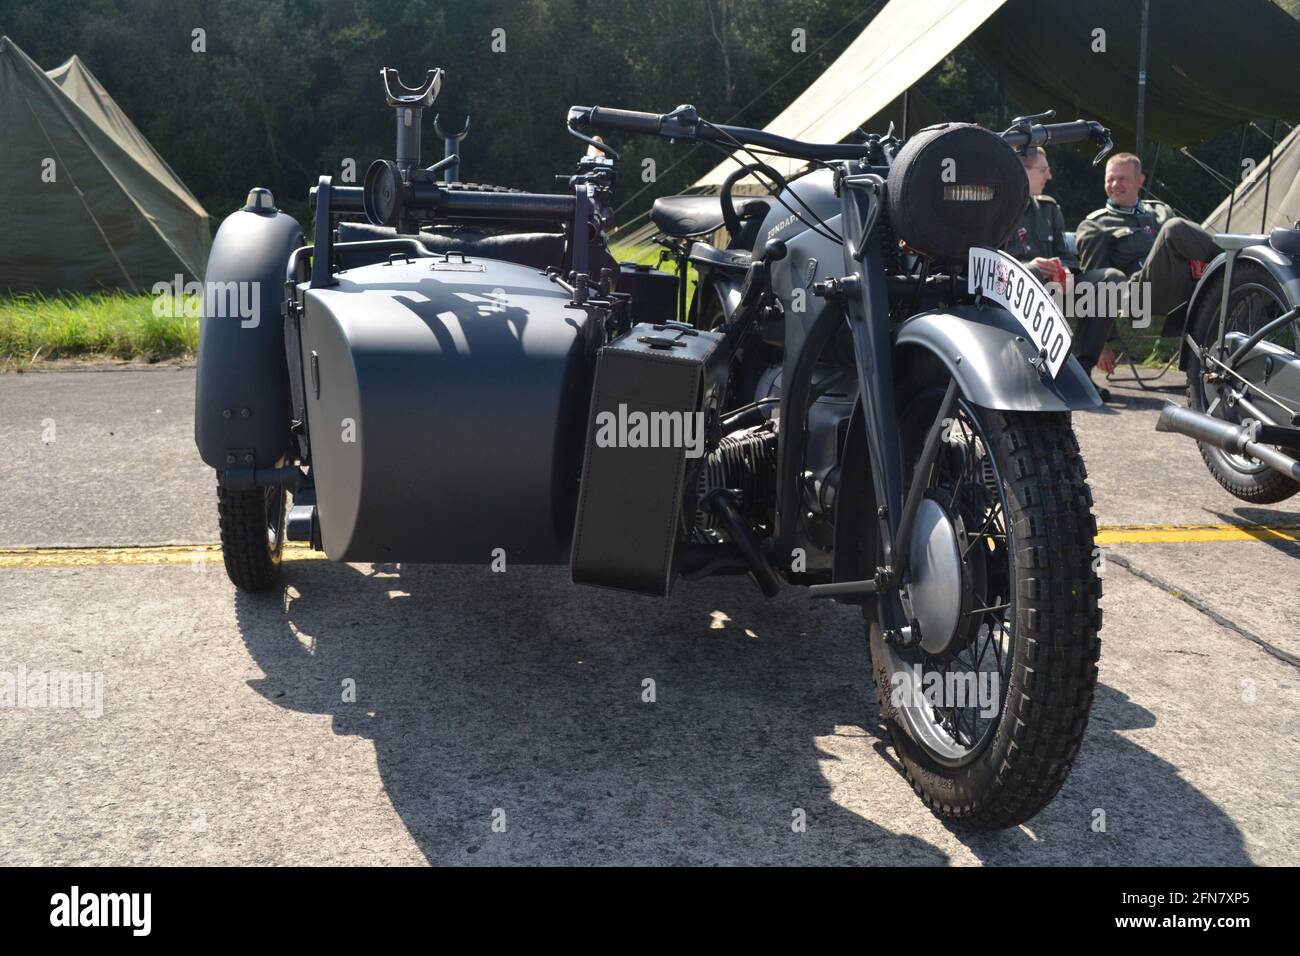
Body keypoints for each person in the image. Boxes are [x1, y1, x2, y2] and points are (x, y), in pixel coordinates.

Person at [1002, 147, 1118, 379]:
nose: (1049, 176)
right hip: (1012, 293)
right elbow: (989, 260)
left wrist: (1066, 270)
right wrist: (1029, 267)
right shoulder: (996, 209)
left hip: (1055, 290)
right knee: (1033, 272)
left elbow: (1064, 255)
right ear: (1021, 171)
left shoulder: (1048, 209)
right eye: (1043, 170)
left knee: (1110, 279)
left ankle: (1080, 373)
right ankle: (1034, 372)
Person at [1076, 152, 1218, 330]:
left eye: (1122, 179)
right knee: (1174, 228)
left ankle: (1237, 267)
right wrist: (1101, 343)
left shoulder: (1160, 211)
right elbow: (1094, 285)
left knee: (1181, 232)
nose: (1114, 185)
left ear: (1139, 181)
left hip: (1182, 286)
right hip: (1137, 297)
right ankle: (1235, 258)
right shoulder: (1095, 225)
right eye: (1110, 179)